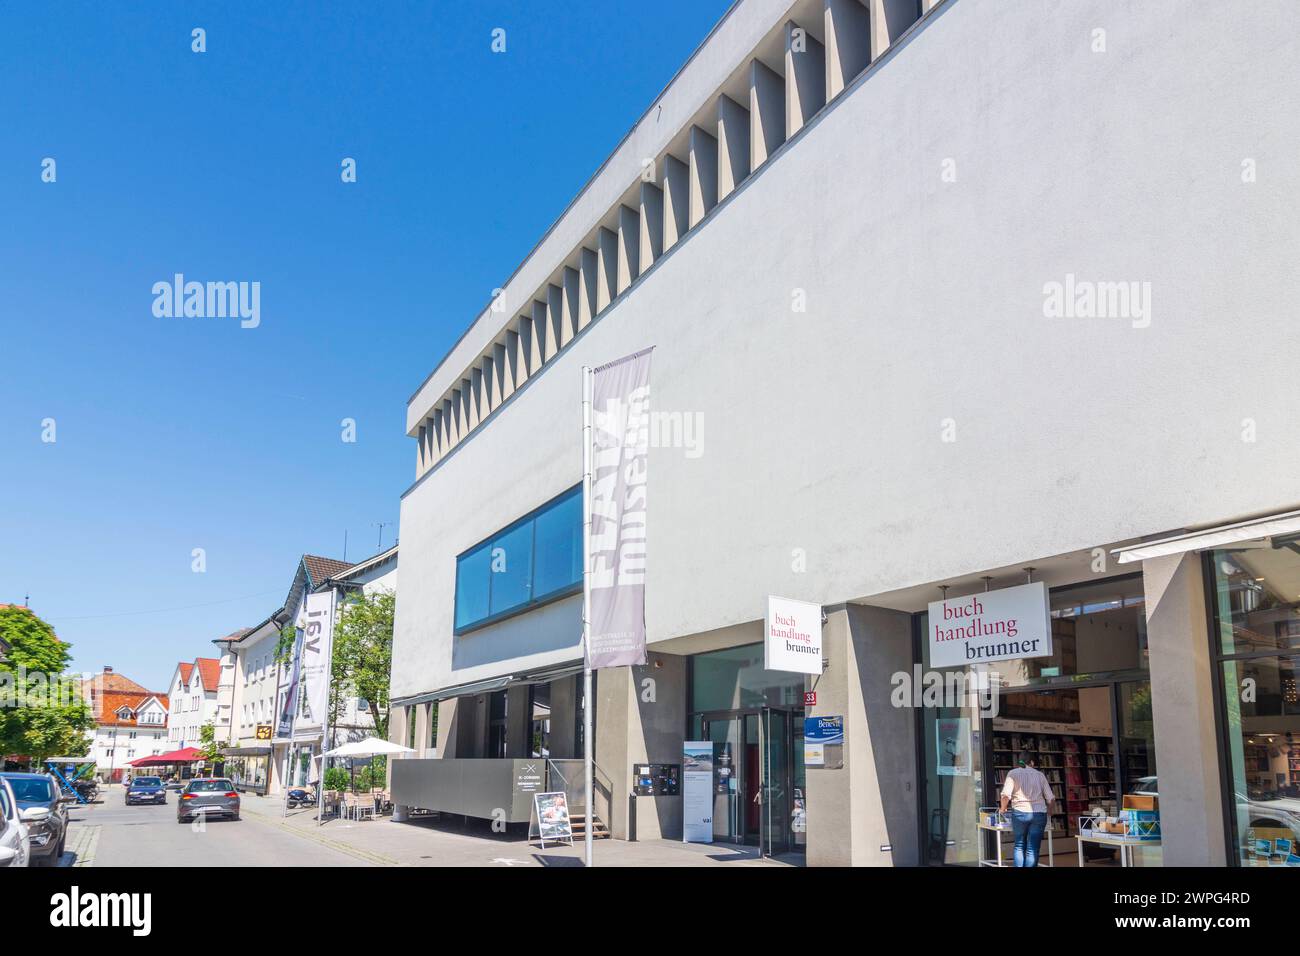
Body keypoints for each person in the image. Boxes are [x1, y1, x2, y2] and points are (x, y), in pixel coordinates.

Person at [999, 751, 1056, 867]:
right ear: (1032, 762)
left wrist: (1002, 808)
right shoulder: (1040, 775)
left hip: (1020, 813)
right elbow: (1051, 798)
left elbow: (1005, 796)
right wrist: (1049, 811)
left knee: (1019, 846)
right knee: (1033, 848)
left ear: (1019, 762)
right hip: (1039, 814)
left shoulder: (1012, 773)